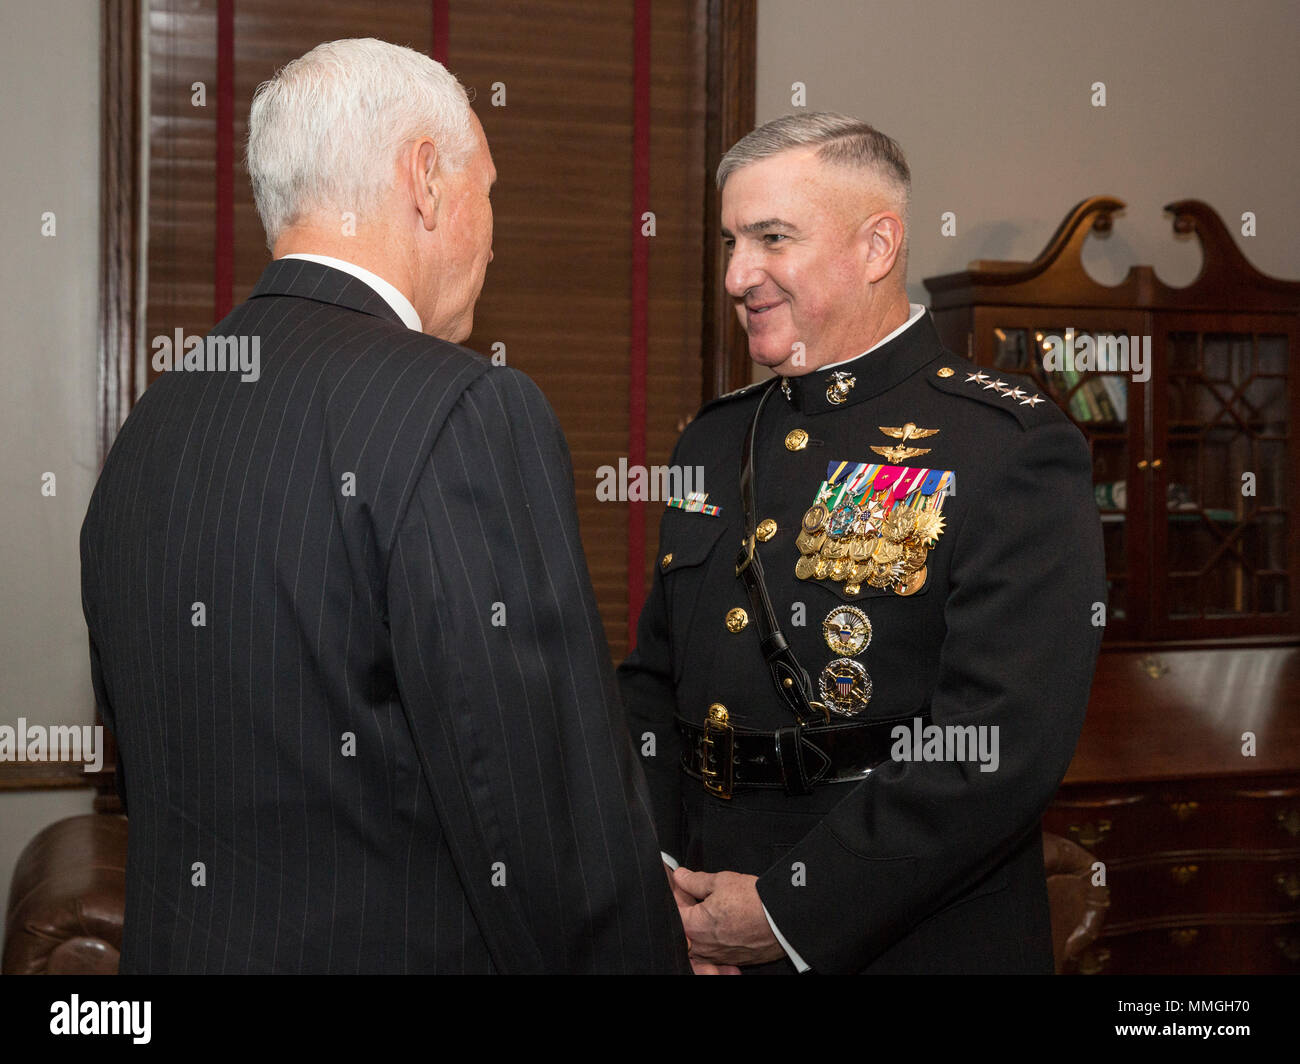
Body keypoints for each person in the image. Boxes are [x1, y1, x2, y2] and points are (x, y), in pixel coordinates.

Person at [79, 38, 688, 974]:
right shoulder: (467, 408)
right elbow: (544, 814)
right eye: (490, 191)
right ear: (427, 181)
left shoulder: (154, 421)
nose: (495, 232)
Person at [619, 112, 1107, 973]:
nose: (738, 275)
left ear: (878, 245)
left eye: (773, 237)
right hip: (701, 923)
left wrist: (785, 912)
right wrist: (663, 876)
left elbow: (997, 746)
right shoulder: (712, 441)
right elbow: (654, 687)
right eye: (731, 240)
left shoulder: (1004, 443)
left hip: (907, 935)